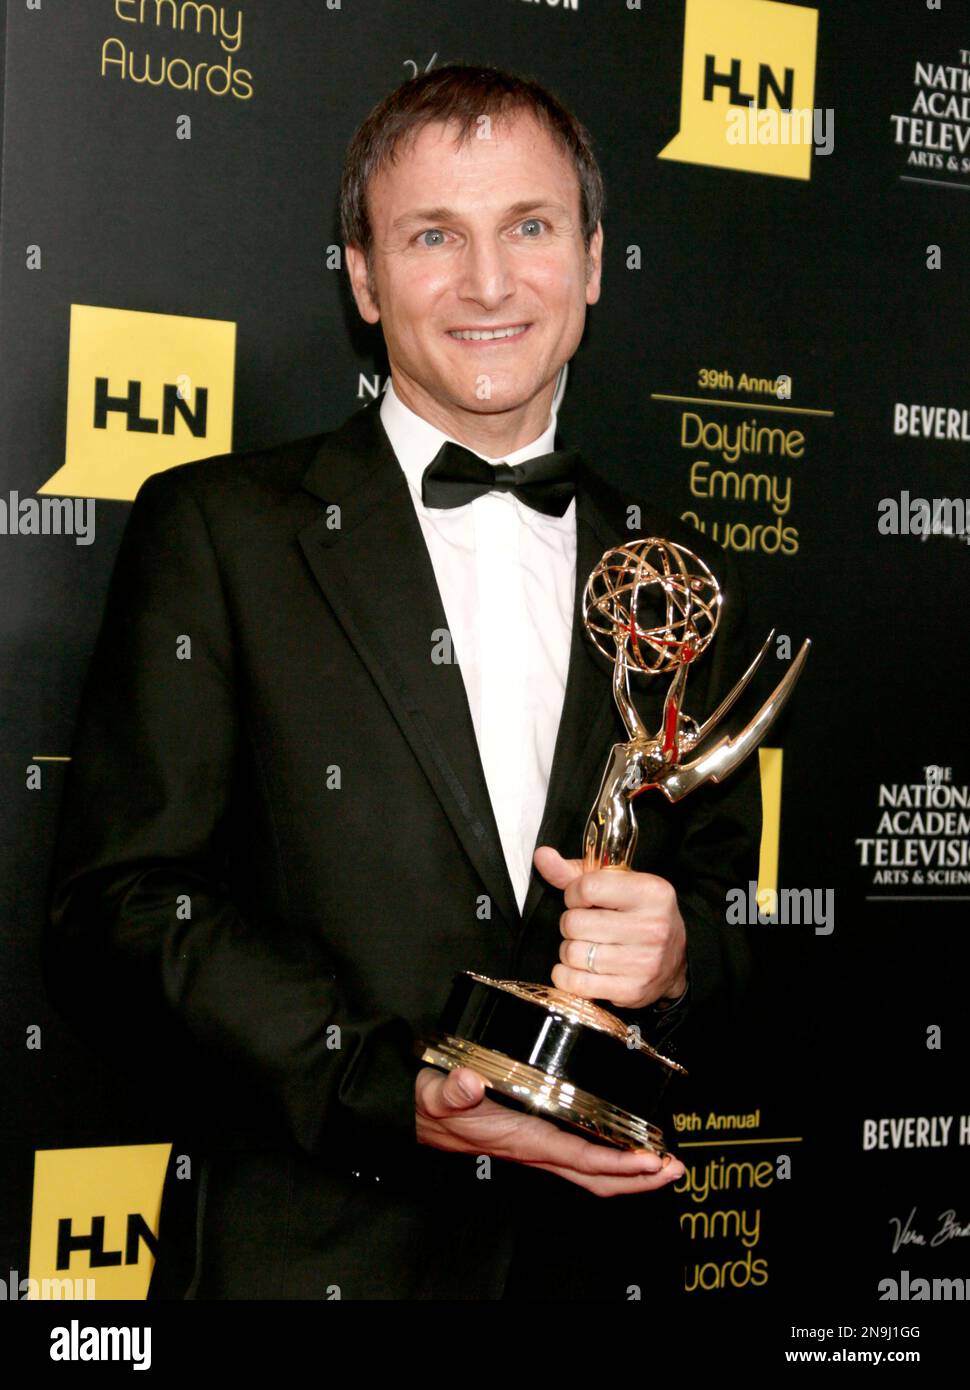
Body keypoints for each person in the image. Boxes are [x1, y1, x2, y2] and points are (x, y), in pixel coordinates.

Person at [43, 63, 761, 1301]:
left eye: (529, 227)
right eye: (434, 235)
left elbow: (725, 910)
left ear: (593, 260)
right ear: (366, 279)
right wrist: (395, 1088)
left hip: (595, 1273)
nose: (489, 283)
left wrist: (683, 955)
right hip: (314, 1259)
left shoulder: (679, 571)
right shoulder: (218, 530)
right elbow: (123, 904)